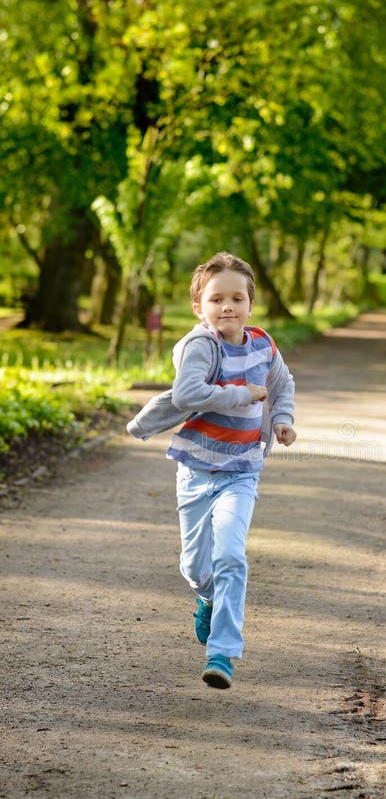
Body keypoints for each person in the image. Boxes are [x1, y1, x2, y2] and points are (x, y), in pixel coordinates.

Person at [127, 252, 296, 689]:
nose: (228, 307)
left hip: (241, 471)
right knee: (195, 568)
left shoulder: (263, 344)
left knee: (230, 557)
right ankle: (206, 598)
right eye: (217, 298)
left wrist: (283, 420)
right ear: (199, 307)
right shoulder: (199, 346)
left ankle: (223, 653)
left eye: (237, 298)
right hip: (197, 471)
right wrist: (241, 394)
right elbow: (187, 394)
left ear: (250, 304)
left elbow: (282, 385)